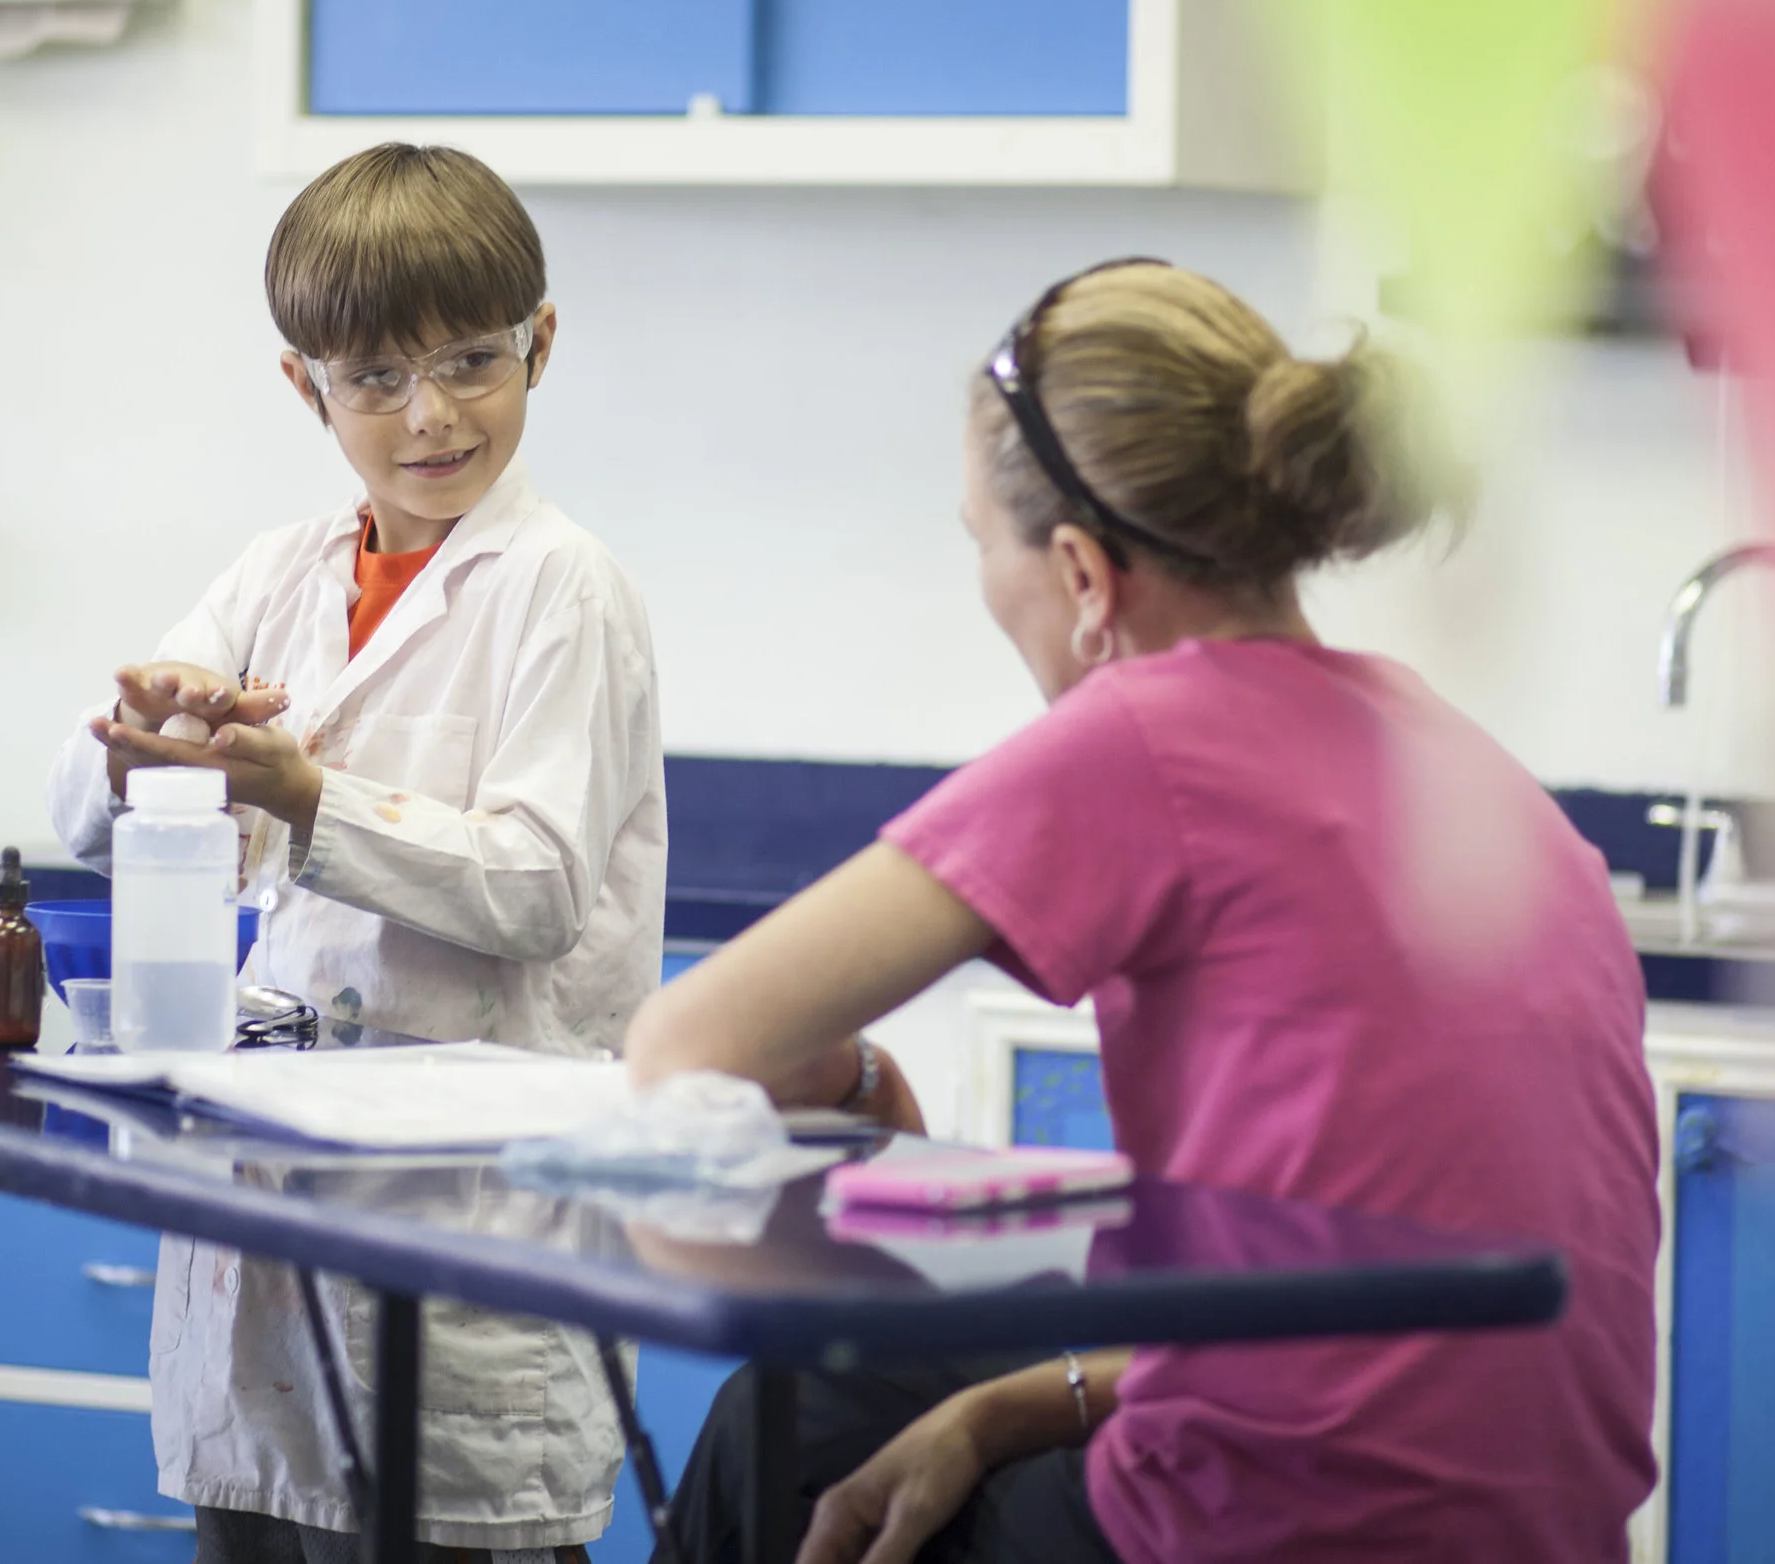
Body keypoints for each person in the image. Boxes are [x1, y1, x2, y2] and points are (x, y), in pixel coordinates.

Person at [625, 260, 1662, 1563]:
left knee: (785, 1421)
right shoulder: (1455, 756)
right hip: (1546, 1532)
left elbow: (684, 1047)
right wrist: (999, 1413)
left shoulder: (1149, 737)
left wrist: (862, 1079)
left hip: (1272, 1533)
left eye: (978, 544)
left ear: (1081, 573)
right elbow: (1370, 1340)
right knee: (900, 1410)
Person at [46, 143, 668, 1563]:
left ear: (541, 344)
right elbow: (93, 803)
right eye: (376, 377)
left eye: (470, 362)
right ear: (305, 383)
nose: (430, 413)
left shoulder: (566, 589)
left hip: (472, 1241)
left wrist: (311, 798)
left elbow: (534, 885)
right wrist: (141, 738)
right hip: (273, 1241)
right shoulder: (277, 572)